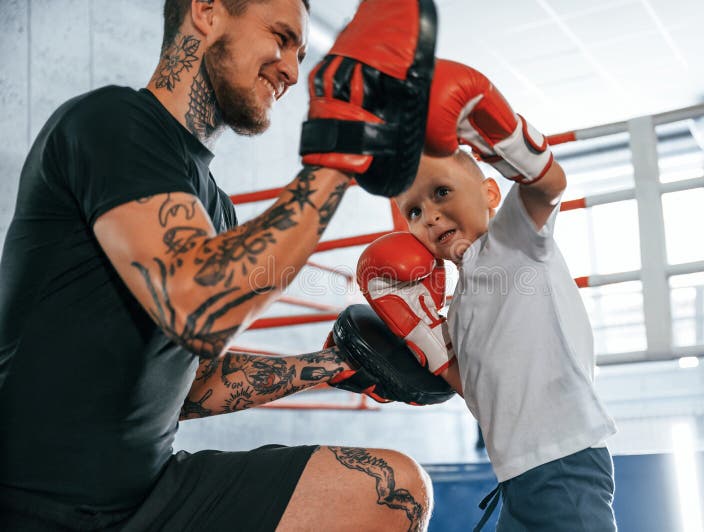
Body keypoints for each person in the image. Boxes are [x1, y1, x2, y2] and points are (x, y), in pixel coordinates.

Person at [0, 0, 439, 530]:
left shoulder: (216, 207)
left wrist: (332, 365)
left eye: (302, 53)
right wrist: (341, 150)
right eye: (280, 36)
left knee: (393, 491)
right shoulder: (109, 123)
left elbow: (191, 384)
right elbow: (198, 306)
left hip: (148, 494)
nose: (293, 71)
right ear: (207, 12)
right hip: (30, 501)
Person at [357, 59, 619, 531]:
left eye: (440, 192)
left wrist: (494, 134)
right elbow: (476, 392)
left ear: (491, 195)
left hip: (563, 462)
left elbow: (550, 185)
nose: (429, 216)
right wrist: (425, 340)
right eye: (413, 211)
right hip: (516, 475)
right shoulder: (456, 309)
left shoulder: (515, 241)